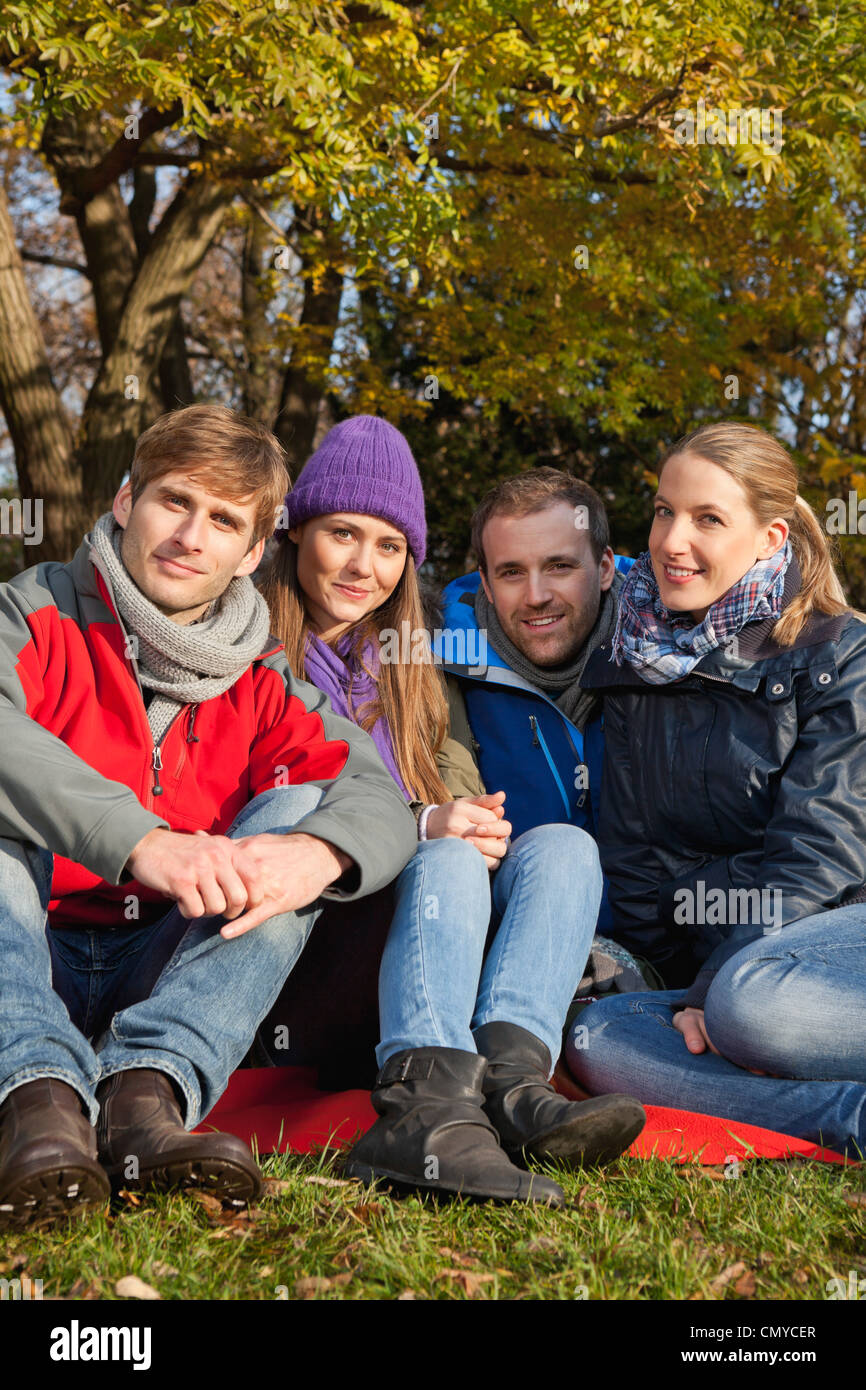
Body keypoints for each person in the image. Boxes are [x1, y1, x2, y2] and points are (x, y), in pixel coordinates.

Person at [0, 404, 417, 1230]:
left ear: (253, 552)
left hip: (163, 960)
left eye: (223, 520)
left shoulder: (261, 678)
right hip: (27, 949)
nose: (191, 536)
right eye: (174, 502)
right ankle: (37, 1104)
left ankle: (142, 1099)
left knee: (305, 814)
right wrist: (139, 841)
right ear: (127, 502)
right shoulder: (34, 612)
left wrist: (319, 855)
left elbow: (374, 796)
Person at [260, 415, 645, 1206]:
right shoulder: (252, 644)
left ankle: (509, 1084)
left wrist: (470, 817)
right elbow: (273, 804)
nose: (364, 565)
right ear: (297, 531)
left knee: (562, 847)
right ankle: (424, 1106)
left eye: (390, 546)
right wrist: (431, 826)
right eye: (342, 533)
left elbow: (450, 777)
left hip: (424, 934)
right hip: (312, 944)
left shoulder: (413, 661)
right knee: (443, 850)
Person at [565, 422, 866, 1157]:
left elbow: (820, 853)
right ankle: (843, 1113)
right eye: (665, 510)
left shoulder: (839, 653)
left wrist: (711, 990)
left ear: (769, 538)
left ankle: (741, 1029)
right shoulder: (633, 659)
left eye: (707, 519)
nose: (671, 540)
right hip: (727, 967)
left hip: (830, 943)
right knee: (596, 1037)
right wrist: (643, 975)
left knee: (752, 1008)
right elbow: (638, 860)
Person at [436, 469, 633, 934]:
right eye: (511, 573)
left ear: (604, 568)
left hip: (663, 960)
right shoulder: (436, 665)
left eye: (559, 566)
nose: (537, 596)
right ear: (485, 584)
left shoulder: (672, 651)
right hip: (506, 941)